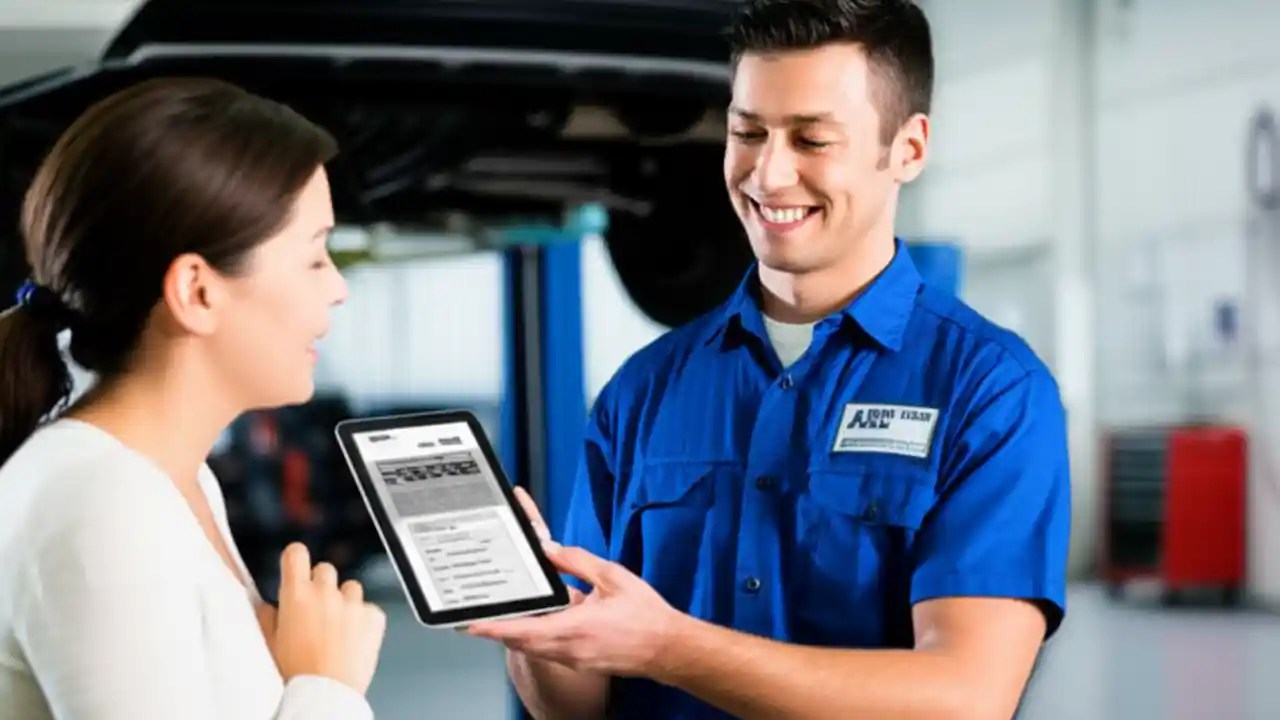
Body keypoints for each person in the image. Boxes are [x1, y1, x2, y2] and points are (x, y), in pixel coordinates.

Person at [468, 1, 1071, 718]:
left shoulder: (990, 392)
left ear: (907, 149)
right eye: (746, 132)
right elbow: (578, 707)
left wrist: (668, 647)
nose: (768, 175)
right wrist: (539, 624)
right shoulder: (643, 391)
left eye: (812, 140)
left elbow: (963, 699)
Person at [0, 77, 387, 719]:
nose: (339, 288)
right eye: (315, 257)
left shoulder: (175, 482)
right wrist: (327, 689)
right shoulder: (101, 507)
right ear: (198, 292)